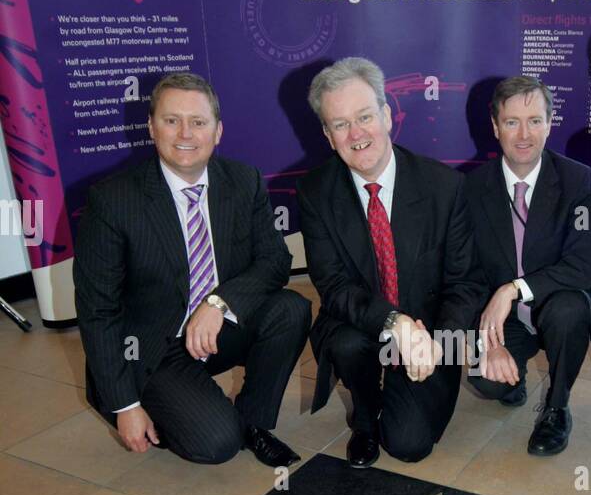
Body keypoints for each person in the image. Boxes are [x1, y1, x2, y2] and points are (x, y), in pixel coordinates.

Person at [73, 72, 311, 467]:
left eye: (198, 122)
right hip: (153, 345)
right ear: (151, 127)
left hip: (215, 329)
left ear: (217, 131)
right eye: (171, 120)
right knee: (216, 445)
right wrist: (125, 405)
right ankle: (172, 405)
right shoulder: (112, 200)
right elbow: (98, 312)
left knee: (290, 309)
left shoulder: (242, 180)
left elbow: (275, 261)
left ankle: (253, 424)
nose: (186, 133)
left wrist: (219, 303)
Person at [297, 56, 485, 468]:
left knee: (409, 446)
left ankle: (398, 400)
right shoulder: (315, 191)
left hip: (431, 332)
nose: (356, 133)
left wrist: (438, 343)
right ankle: (364, 419)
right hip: (363, 322)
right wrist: (394, 322)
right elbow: (333, 285)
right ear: (328, 136)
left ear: (386, 115)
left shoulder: (443, 186)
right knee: (346, 343)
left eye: (364, 116)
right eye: (340, 124)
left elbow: (465, 282)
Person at [464, 75, 591, 456]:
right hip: (504, 318)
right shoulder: (471, 189)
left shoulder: (578, 181)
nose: (524, 134)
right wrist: (488, 341)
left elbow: (583, 265)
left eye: (535, 121)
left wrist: (513, 289)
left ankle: (557, 407)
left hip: (556, 306)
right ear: (495, 127)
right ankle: (514, 375)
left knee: (571, 310)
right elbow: (466, 272)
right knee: (488, 382)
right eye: (512, 122)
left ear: (549, 123)